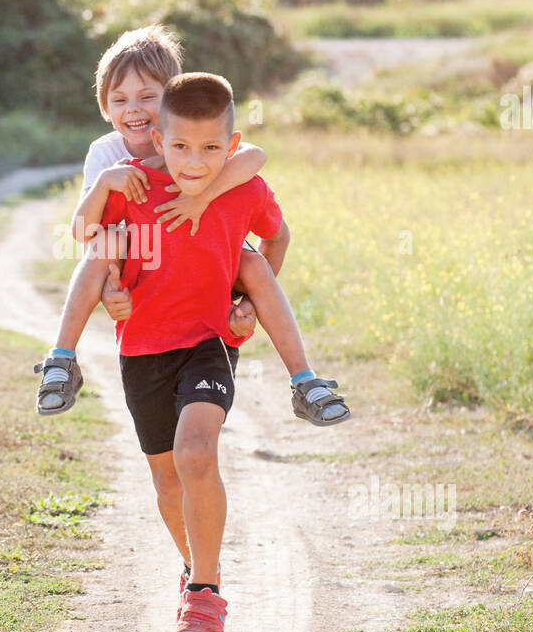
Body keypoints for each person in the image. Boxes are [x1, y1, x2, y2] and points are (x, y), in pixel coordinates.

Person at [76, 72, 349, 632]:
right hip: (143, 347)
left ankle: (203, 593)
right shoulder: (135, 184)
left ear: (229, 144)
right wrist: (109, 290)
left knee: (195, 452)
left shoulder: (242, 186)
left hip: (211, 340)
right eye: (180, 147)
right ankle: (199, 566)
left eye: (209, 149)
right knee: (166, 478)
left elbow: (276, 238)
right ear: (159, 138)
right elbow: (93, 245)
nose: (194, 161)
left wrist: (248, 297)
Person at [33, 25, 349, 431]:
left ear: (174, 99)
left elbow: (255, 155)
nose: (133, 108)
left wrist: (200, 198)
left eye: (148, 96)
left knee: (252, 264)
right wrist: (107, 191)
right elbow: (83, 231)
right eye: (119, 99)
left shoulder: (196, 140)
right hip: (143, 254)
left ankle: (305, 381)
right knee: (106, 242)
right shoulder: (108, 152)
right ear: (105, 109)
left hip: (204, 250)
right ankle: (62, 357)